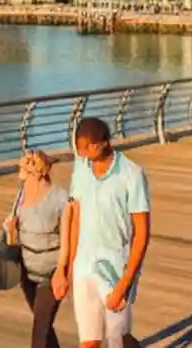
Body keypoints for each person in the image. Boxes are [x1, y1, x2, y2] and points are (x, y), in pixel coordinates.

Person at [59, 117, 150, 348]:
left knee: (117, 340)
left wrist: (124, 285)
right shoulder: (81, 168)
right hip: (83, 270)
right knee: (89, 343)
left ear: (104, 143)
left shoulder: (132, 174)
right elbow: (74, 219)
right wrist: (65, 268)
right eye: (80, 148)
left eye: (88, 147)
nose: (84, 152)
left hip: (116, 271)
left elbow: (142, 233)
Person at [4, 150, 69, 348]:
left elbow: (68, 239)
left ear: (40, 171)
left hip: (50, 272)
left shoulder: (61, 198)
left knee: (39, 332)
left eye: (28, 169)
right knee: (44, 326)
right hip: (26, 271)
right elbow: (14, 226)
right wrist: (10, 229)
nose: (23, 173)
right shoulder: (22, 193)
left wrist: (62, 271)